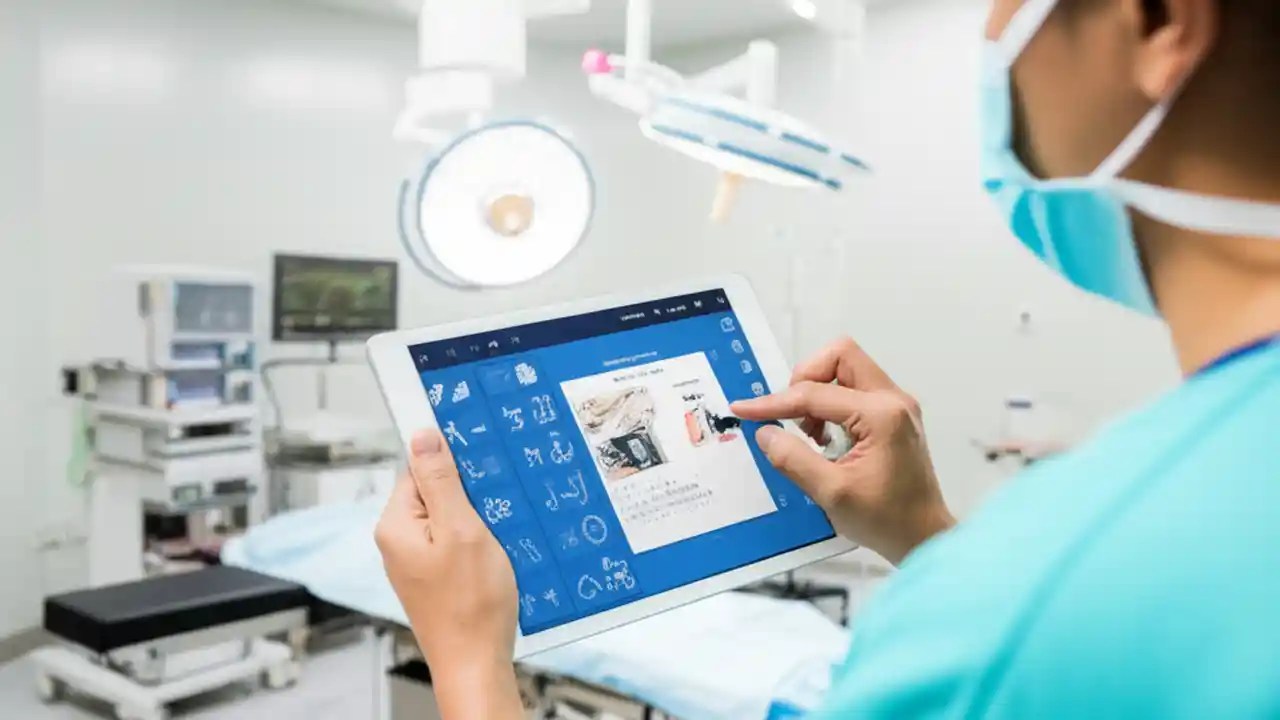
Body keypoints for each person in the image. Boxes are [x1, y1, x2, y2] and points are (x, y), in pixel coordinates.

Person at [374, 0, 1280, 716]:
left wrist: (467, 666)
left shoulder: (1030, 597)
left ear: (1162, 16)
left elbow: (1028, 648)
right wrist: (928, 542)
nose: (990, 38)